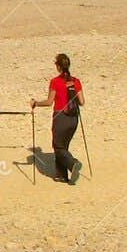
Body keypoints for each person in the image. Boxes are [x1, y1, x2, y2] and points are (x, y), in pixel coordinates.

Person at [31, 53, 84, 183]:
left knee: (58, 146)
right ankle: (61, 175)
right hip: (73, 118)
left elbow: (49, 102)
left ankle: (73, 164)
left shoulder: (55, 81)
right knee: (63, 147)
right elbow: (82, 102)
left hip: (61, 117)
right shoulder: (76, 81)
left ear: (59, 66)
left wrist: (36, 103)